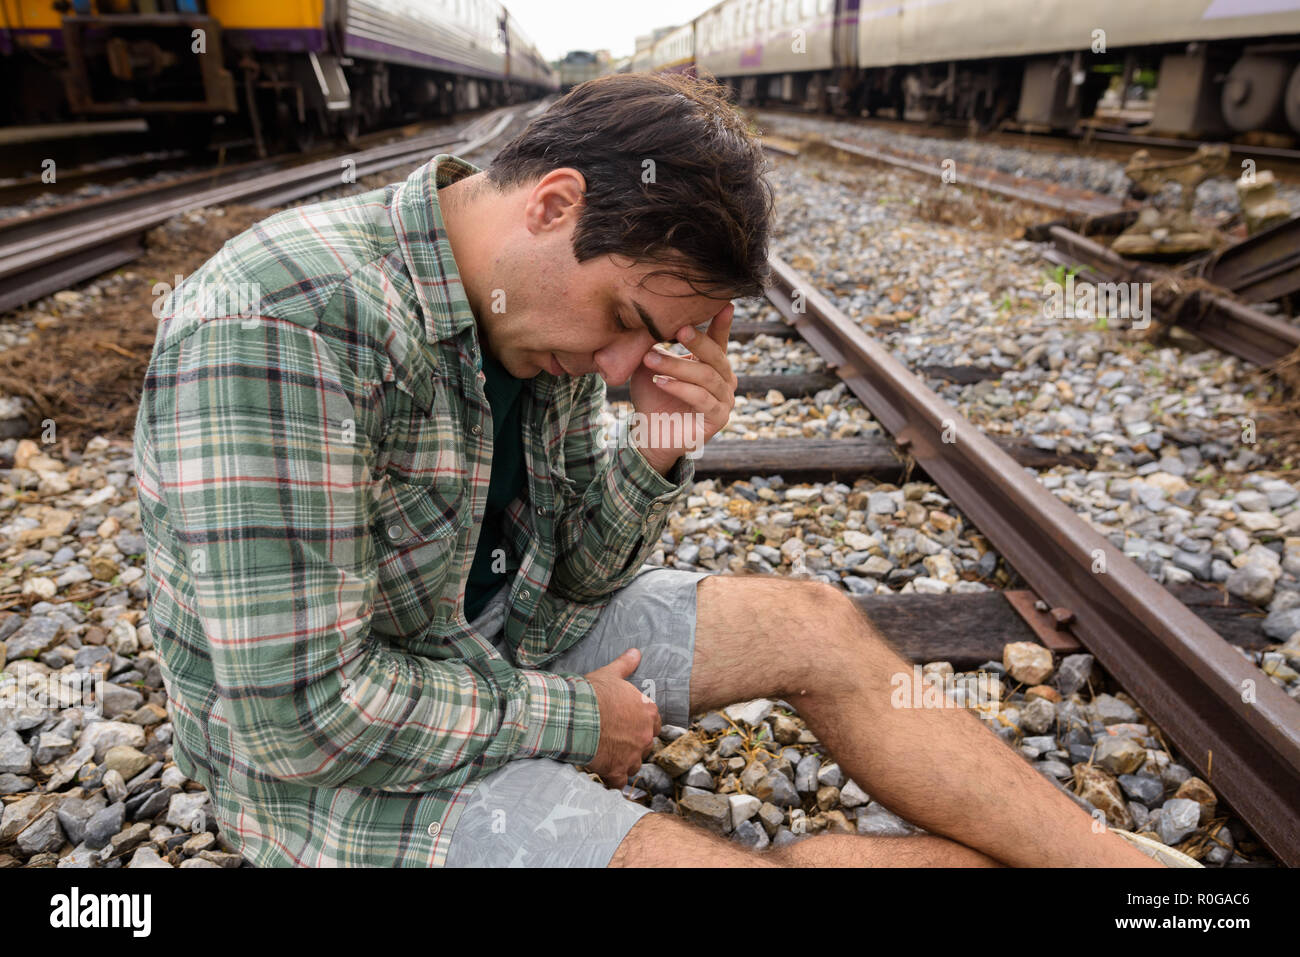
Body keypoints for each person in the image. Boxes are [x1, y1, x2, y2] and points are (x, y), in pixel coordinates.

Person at [133, 72, 1161, 867]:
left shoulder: (539, 312)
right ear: (552, 205)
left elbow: (580, 579)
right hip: (331, 776)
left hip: (495, 645)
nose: (622, 367)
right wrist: (578, 720)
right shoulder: (284, 320)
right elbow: (302, 717)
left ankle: (1109, 865)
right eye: (628, 322)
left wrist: (660, 443)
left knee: (813, 623)